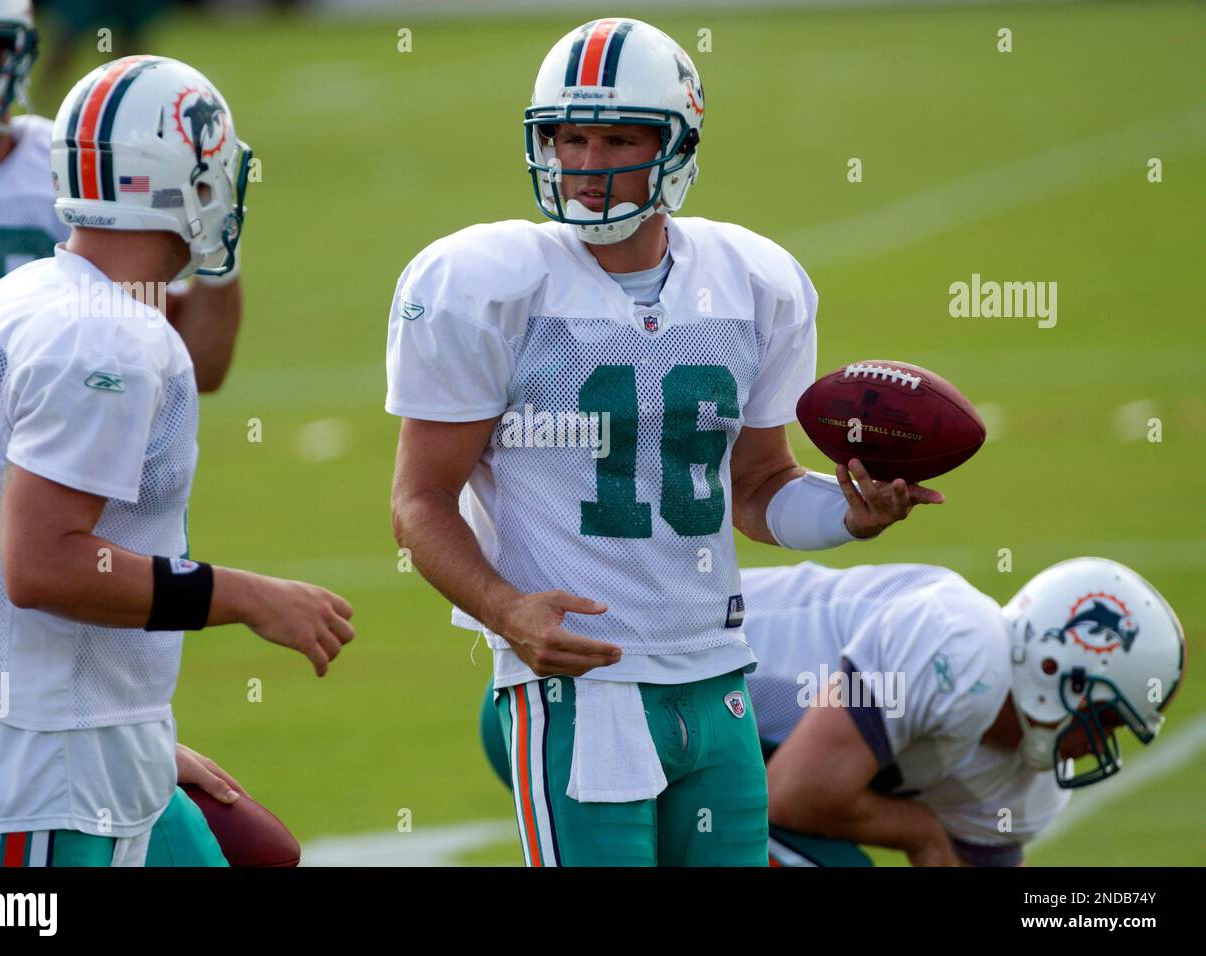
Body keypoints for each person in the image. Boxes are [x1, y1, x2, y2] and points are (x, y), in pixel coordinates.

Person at [388, 18, 940, 867]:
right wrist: (505, 610)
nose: (585, 163)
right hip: (581, 689)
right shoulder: (487, 284)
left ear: (678, 146)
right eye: (568, 138)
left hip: (719, 680)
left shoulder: (754, 282)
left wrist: (849, 517)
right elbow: (419, 500)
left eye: (616, 139)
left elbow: (758, 489)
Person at [0, 54, 354, 868]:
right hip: (38, 774)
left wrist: (133, 729)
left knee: (266, 856)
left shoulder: (34, 295)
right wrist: (248, 597)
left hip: (71, 736)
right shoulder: (101, 334)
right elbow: (41, 566)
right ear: (189, 183)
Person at [480, 558, 1185, 866]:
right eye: (1108, 719)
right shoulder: (959, 642)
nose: (1102, 743)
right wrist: (918, 832)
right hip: (591, 696)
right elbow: (797, 793)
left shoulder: (1025, 789)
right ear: (1057, 669)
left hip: (701, 750)